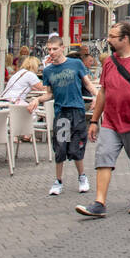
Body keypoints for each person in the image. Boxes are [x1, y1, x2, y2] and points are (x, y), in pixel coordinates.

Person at [77, 22, 130, 220]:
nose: (109, 39)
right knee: (103, 158)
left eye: (113, 36)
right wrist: (95, 120)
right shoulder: (109, 62)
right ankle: (99, 203)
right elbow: (103, 92)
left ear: (126, 39)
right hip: (111, 121)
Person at [27, 36, 96, 197]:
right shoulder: (48, 70)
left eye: (54, 49)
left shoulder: (75, 64)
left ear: (62, 48)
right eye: (49, 49)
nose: (52, 52)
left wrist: (97, 96)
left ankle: (82, 177)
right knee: (60, 146)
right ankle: (58, 180)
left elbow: (87, 83)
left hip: (77, 111)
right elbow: (49, 94)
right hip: (61, 112)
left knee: (77, 146)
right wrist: (37, 99)